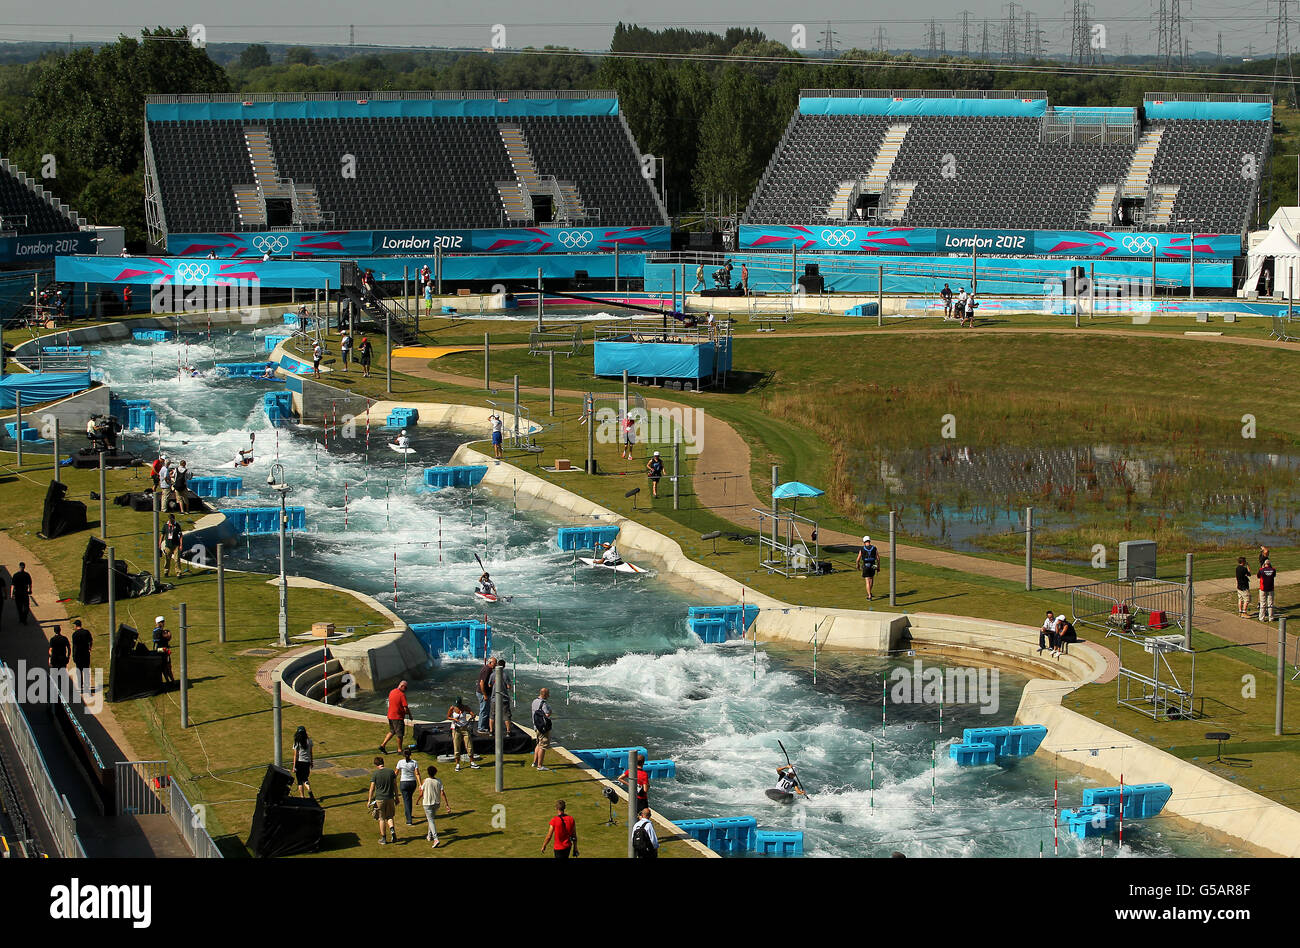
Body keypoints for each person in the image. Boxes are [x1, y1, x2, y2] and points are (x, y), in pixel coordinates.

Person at [367, 756, 398, 845]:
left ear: (376, 764)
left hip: (380, 799)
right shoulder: (391, 772)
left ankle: (383, 838)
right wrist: (397, 797)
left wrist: (369, 800)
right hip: (390, 798)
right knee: (390, 816)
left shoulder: (375, 774)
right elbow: (395, 785)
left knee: (382, 819)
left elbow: (372, 788)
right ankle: (392, 831)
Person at [420, 765, 451, 848]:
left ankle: (436, 839)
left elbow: (421, 792)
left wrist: (417, 800)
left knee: (430, 820)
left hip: (427, 804)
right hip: (436, 804)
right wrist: (447, 805)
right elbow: (442, 793)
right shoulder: (439, 781)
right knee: (431, 820)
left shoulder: (425, 781)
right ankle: (429, 836)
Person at [447, 697, 480, 771]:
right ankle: (457, 764)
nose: (457, 706)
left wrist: (472, 715)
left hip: (465, 728)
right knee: (456, 747)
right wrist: (454, 719)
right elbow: (448, 716)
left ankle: (472, 762)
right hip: (456, 729)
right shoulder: (452, 708)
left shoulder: (465, 707)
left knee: (469, 746)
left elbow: (472, 713)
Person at [380, 680, 412, 753]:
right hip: (397, 717)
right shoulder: (401, 695)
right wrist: (410, 715)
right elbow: (405, 707)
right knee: (400, 734)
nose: (406, 690)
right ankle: (399, 749)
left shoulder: (392, 691)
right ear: (402, 686)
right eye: (405, 688)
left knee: (392, 731)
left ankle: (382, 745)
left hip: (390, 715)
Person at [395, 747, 421, 827]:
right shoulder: (414, 762)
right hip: (412, 783)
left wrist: (392, 780)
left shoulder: (400, 762)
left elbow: (396, 773)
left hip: (404, 783)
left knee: (406, 800)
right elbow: (417, 774)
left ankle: (409, 820)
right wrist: (420, 784)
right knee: (409, 799)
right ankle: (409, 813)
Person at [531, 687, 553, 771]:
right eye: (548, 694)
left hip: (536, 726)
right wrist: (550, 712)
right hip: (542, 728)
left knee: (538, 744)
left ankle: (535, 762)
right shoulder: (543, 704)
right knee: (542, 746)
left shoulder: (534, 701)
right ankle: (540, 766)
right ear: (545, 695)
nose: (549, 695)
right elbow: (546, 715)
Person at [71, 620, 93, 695]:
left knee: (79, 671)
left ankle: (80, 686)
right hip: (86, 654)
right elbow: (90, 641)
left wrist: (73, 655)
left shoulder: (75, 634)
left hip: (78, 655)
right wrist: (90, 648)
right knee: (86, 670)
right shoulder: (86, 632)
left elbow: (74, 646)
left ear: (76, 626)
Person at [291, 726, 313, 798]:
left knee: (300, 780)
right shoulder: (309, 741)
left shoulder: (297, 742)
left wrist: (294, 766)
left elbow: (295, 755)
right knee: (305, 778)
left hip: (299, 762)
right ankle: (309, 788)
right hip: (307, 762)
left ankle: (302, 796)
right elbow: (310, 753)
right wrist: (311, 762)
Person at [48, 624, 71, 693]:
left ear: (54, 631)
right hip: (62, 659)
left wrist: (50, 658)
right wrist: (68, 656)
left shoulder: (52, 639)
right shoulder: (64, 638)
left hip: (55, 659)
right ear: (60, 630)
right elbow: (69, 648)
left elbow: (50, 650)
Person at [855, 535, 879, 600]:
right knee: (871, 579)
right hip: (873, 565)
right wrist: (878, 567)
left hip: (866, 565)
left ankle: (869, 595)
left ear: (864, 542)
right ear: (869, 541)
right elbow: (878, 559)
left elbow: (858, 559)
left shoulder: (862, 549)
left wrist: (857, 565)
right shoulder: (874, 548)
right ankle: (870, 593)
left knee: (867, 581)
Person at [476, 658, 497, 734]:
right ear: (491, 663)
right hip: (482, 693)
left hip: (485, 693)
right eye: (495, 663)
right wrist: (484, 695)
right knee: (484, 710)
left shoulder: (488, 669)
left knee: (487, 710)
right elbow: (481, 683)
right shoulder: (487, 670)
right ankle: (481, 728)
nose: (496, 664)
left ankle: (485, 726)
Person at [152, 615, 175, 683]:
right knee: (167, 667)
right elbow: (168, 637)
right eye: (163, 622)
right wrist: (167, 633)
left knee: (164, 668)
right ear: (160, 623)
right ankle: (172, 681)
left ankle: (168, 681)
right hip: (163, 651)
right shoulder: (160, 631)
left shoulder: (155, 631)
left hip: (159, 650)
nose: (164, 623)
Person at [1258, 558, 1278, 622]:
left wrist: (1262, 568)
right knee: (1270, 604)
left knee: (1263, 603)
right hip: (1271, 589)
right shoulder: (1273, 570)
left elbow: (1258, 576)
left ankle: (1261, 618)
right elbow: (1274, 575)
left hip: (1263, 589)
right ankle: (1271, 618)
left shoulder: (1261, 570)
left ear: (1264, 564)